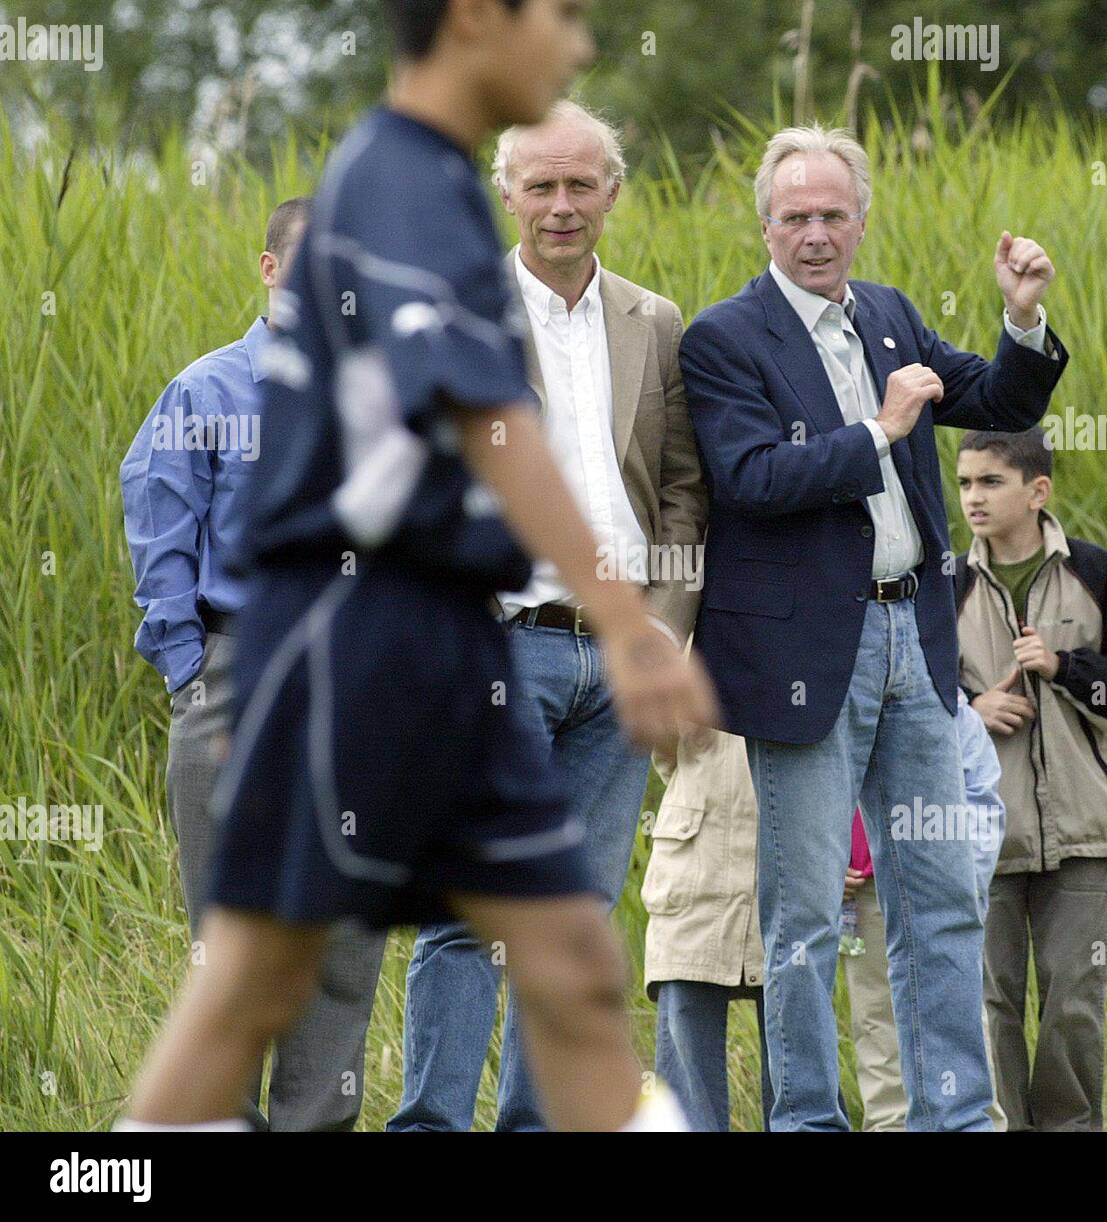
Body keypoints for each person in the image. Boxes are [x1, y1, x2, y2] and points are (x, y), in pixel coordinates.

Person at [116, 0, 716, 1134]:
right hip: (354, 652)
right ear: (481, 18)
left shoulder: (413, 176)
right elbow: (488, 420)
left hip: (422, 641)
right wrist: (628, 620)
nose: (580, 45)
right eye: (566, 18)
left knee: (570, 962)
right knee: (253, 982)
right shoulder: (402, 183)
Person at [679, 122, 1069, 1130]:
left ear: (860, 220)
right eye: (795, 215)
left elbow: (990, 397)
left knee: (939, 897)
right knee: (805, 916)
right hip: (810, 657)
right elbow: (750, 478)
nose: (815, 233)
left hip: (916, 642)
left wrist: (1019, 324)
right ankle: (807, 1118)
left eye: (832, 214)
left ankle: (956, 1115)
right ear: (765, 223)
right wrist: (878, 433)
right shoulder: (723, 338)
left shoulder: (889, 315)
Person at [390, 98, 707, 1132]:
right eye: (541, 185)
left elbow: (679, 489)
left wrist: (661, 623)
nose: (561, 206)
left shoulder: (653, 320)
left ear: (612, 193)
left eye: (581, 185)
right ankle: (431, 1124)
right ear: (506, 194)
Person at [119, 200, 388, 1131]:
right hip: (235, 674)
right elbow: (159, 530)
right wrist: (190, 669)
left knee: (346, 943)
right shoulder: (206, 391)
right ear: (269, 270)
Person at [955, 426, 1107, 1131]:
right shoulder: (943, 584)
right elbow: (910, 697)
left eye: (991, 482)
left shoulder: (1095, 570)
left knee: (1075, 998)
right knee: (991, 1003)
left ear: (1037, 490)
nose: (974, 498)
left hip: (1084, 831)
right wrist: (971, 710)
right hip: (981, 833)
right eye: (964, 484)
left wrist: (1065, 667)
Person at [839, 691, 1008, 1132]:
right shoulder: (840, 701)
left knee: (960, 1027)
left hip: (941, 896)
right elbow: (818, 802)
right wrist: (829, 866)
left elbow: (983, 798)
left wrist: (963, 882)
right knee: (879, 1034)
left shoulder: (949, 707)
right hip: (864, 897)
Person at [642, 725, 772, 1131]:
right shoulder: (678, 656)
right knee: (687, 1074)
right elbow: (662, 743)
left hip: (782, 863)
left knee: (797, 1073)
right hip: (695, 862)